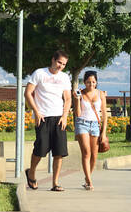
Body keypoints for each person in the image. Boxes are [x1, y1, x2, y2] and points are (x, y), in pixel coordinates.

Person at [25, 49, 72, 192]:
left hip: (59, 118)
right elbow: (27, 93)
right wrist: (36, 112)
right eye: (59, 62)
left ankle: (55, 183)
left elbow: (68, 98)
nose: (61, 66)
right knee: (40, 150)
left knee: (59, 152)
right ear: (53, 60)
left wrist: (65, 116)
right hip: (43, 117)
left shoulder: (64, 77)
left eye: (64, 64)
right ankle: (31, 172)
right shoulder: (39, 73)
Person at [73, 70, 108, 191]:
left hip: (95, 126)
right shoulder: (80, 93)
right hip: (82, 123)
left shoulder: (100, 94)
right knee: (86, 153)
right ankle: (89, 181)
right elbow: (77, 114)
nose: (91, 84)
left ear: (96, 82)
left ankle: (87, 178)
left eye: (93, 82)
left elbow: (104, 115)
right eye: (88, 82)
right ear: (84, 82)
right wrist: (77, 99)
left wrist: (103, 133)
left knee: (94, 155)